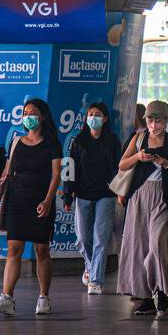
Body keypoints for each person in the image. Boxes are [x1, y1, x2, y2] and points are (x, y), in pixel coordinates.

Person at [0, 99, 62, 316]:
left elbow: (56, 175)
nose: (28, 116)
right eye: (25, 112)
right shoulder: (17, 141)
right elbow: (8, 171)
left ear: (43, 117)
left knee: (41, 250)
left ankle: (43, 297)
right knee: (14, 248)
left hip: (41, 200)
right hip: (17, 200)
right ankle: (7, 297)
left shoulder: (52, 143)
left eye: (33, 113)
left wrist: (48, 201)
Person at [117, 100, 168, 316]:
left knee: (158, 244)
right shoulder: (138, 138)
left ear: (166, 120)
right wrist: (138, 157)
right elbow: (122, 164)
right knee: (138, 245)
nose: (154, 124)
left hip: (163, 197)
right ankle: (145, 295)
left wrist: (165, 164)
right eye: (150, 119)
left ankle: (162, 290)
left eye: (158, 120)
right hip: (139, 195)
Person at [65, 101, 119, 295]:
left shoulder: (112, 140)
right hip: (82, 194)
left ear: (105, 119)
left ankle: (96, 279)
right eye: (90, 114)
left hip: (106, 194)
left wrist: (118, 190)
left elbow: (116, 168)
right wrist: (67, 195)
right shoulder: (79, 141)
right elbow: (70, 168)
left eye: (97, 114)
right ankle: (89, 266)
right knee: (82, 238)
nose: (93, 118)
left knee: (100, 238)